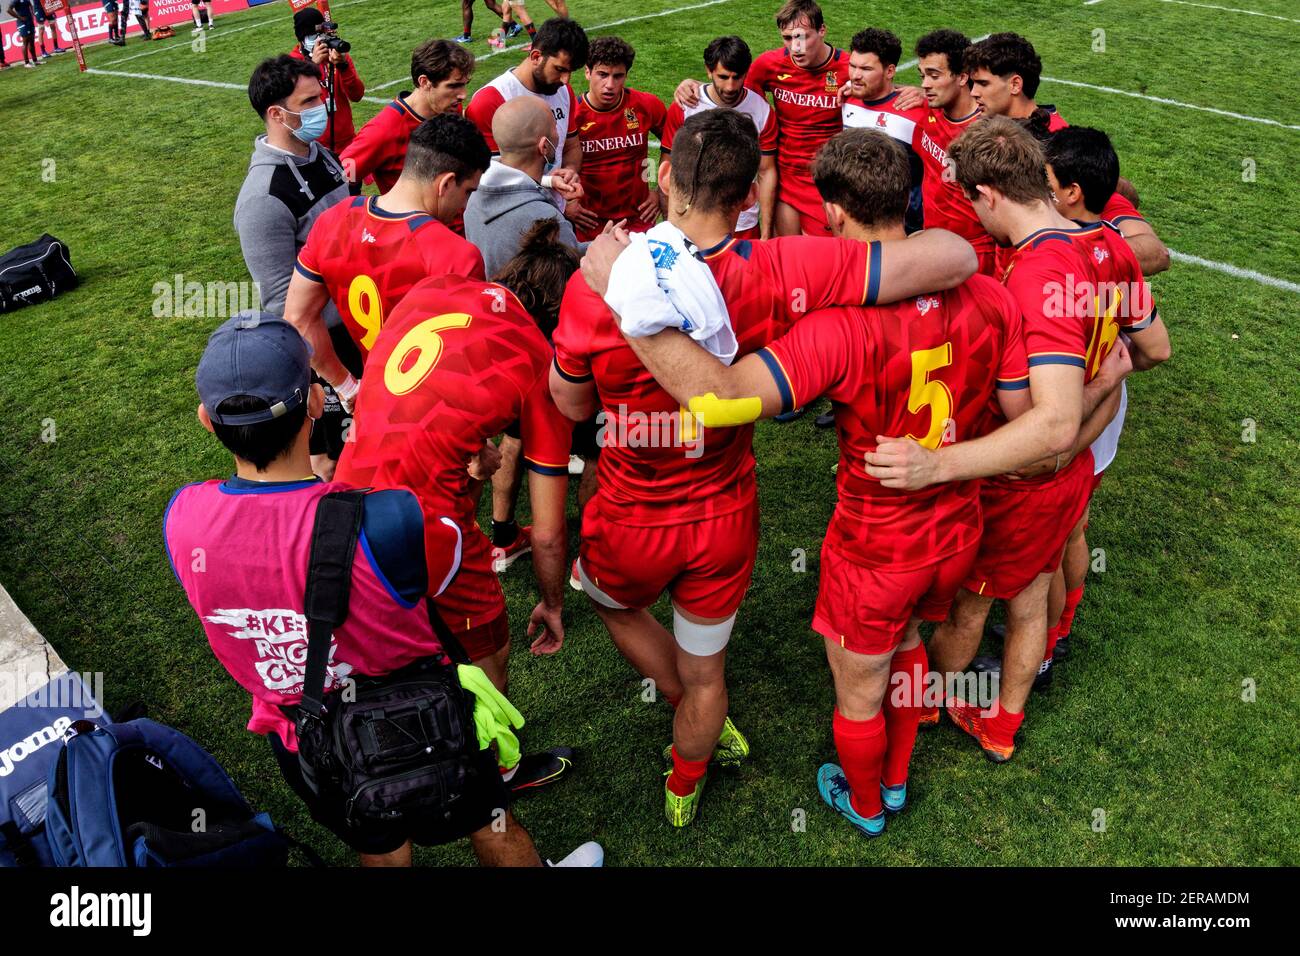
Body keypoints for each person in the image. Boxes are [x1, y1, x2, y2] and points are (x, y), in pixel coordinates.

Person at [552, 108, 979, 827]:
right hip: (724, 509)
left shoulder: (598, 283)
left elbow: (566, 400)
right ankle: (685, 778)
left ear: (664, 175)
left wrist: (624, 299)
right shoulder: (786, 266)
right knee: (707, 670)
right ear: (751, 195)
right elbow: (957, 258)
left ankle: (690, 718)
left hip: (630, 506)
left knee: (608, 599)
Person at [164, 312, 601, 868]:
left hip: (306, 737)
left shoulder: (181, 520)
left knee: (377, 837)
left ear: (207, 419)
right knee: (490, 822)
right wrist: (469, 474)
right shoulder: (389, 519)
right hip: (423, 726)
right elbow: (441, 573)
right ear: (317, 404)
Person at [864, 117, 1156, 762]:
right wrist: (1102, 399)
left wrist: (937, 466)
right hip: (1068, 470)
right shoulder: (1109, 243)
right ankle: (1002, 724)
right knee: (1028, 598)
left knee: (971, 608)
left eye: (970, 199)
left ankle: (931, 703)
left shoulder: (1035, 277)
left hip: (1024, 478)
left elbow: (1046, 427)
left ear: (990, 194)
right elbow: (1150, 348)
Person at [334, 230, 581, 796]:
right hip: (428, 524)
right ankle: (497, 767)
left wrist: (467, 449)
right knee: (486, 644)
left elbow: (418, 392)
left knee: (390, 642)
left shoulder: (434, 288)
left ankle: (387, 743)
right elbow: (546, 533)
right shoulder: (539, 365)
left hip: (346, 495)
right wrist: (551, 602)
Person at [285, 114, 490, 415]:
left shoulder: (333, 221)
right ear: (446, 183)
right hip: (430, 416)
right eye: (468, 191)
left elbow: (298, 318)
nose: (466, 204)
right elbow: (464, 366)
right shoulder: (456, 256)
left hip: (373, 405)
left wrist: (346, 386)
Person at [463, 96, 584, 574]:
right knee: (564, 448)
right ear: (543, 143)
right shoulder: (539, 217)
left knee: (510, 441)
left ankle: (502, 535)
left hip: (494, 344)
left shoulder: (476, 192)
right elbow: (576, 275)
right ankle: (576, 555)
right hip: (541, 350)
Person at [233, 55, 354, 480]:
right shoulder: (262, 200)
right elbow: (287, 306)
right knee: (332, 457)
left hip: (360, 322)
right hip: (328, 346)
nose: (322, 106)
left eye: (320, 95)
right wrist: (340, 380)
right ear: (276, 114)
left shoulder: (320, 154)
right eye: (310, 101)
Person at [465, 17, 589, 216]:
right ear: (536, 56)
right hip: (510, 218)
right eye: (560, 69)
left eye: (571, 72)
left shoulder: (563, 91)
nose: (565, 80)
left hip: (555, 213)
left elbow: (571, 146)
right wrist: (550, 181)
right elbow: (493, 175)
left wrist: (571, 171)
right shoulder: (489, 101)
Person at [661, 36, 778, 242]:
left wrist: (766, 231)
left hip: (744, 225)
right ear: (708, 70)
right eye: (723, 77)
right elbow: (669, 167)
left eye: (737, 77)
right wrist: (670, 224)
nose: (731, 86)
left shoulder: (762, 110)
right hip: (692, 224)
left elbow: (766, 171)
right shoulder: (685, 106)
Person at [911, 29, 997, 276]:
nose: (925, 84)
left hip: (976, 255)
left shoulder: (986, 134)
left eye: (934, 75)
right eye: (923, 75)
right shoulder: (929, 109)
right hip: (933, 244)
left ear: (961, 77)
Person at [341, 39, 475, 195]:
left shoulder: (451, 110)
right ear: (424, 82)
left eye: (465, 84)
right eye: (453, 86)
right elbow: (338, 181)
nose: (463, 95)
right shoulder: (382, 131)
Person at [571, 36, 667, 242]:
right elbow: (550, 164)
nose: (610, 85)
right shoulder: (573, 114)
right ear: (587, 72)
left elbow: (675, 145)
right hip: (589, 222)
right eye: (602, 75)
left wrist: (659, 189)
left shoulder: (646, 105)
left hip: (639, 219)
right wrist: (567, 204)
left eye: (618, 76)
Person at [839, 28, 925, 233]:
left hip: (902, 228)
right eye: (852, 66)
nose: (856, 76)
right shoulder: (847, 99)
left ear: (890, 71)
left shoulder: (915, 113)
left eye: (866, 69)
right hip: (854, 221)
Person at [289, 7, 366, 156]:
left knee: (352, 180)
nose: (319, 39)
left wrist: (343, 66)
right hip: (313, 146)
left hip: (347, 142)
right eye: (313, 35)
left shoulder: (336, 56)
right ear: (301, 39)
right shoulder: (292, 63)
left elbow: (357, 95)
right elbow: (295, 101)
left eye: (321, 33)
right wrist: (312, 65)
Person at [967, 33, 1067, 134]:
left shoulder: (1058, 140)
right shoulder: (982, 130)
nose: (973, 93)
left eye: (983, 83)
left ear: (1015, 85)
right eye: (973, 83)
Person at [8, 0, 41, 65]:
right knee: (25, 43)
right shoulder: (15, 0)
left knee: (31, 42)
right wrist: (19, 17)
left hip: (30, 22)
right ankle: (26, 63)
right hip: (22, 23)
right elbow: (9, 10)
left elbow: (30, 4)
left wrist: (32, 13)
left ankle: (35, 61)